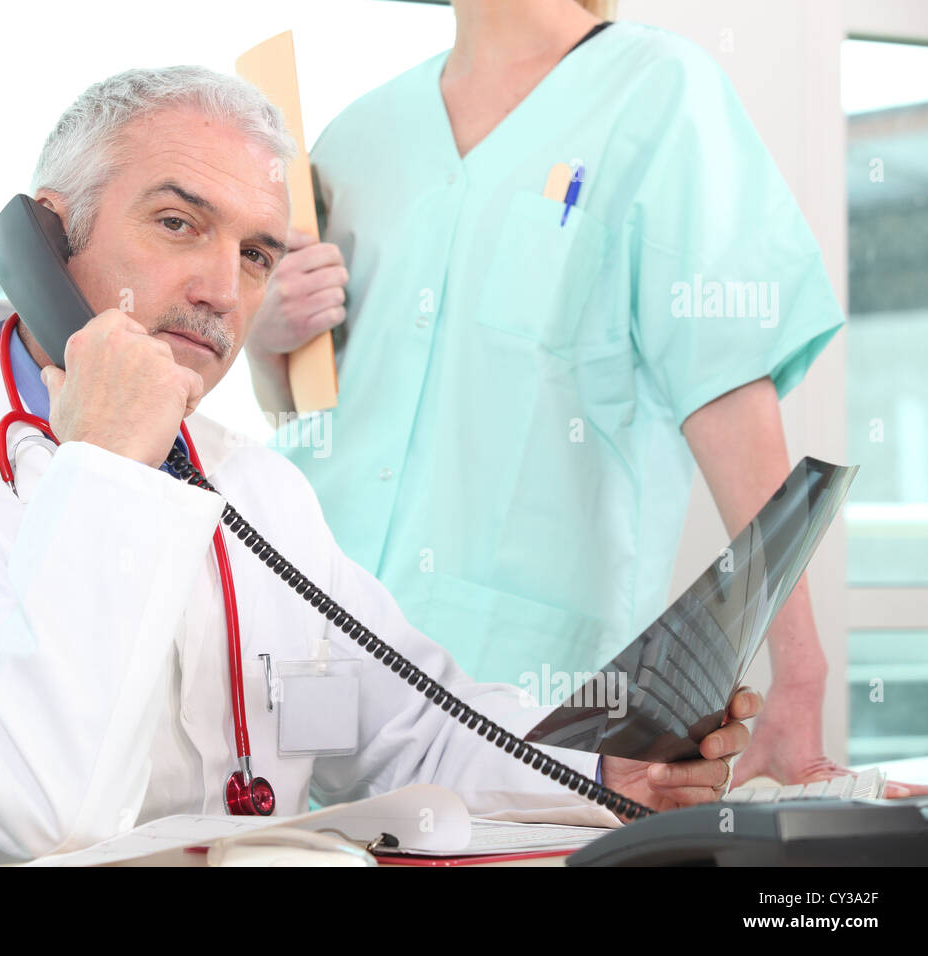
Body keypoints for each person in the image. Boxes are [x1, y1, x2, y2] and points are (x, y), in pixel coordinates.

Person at [0, 65, 764, 866]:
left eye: (257, 253)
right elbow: (45, 804)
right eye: (178, 223)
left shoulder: (255, 491)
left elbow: (409, 730)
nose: (219, 288)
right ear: (48, 237)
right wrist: (105, 462)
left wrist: (606, 773)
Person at [245, 0, 921, 795]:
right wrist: (265, 339)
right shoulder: (355, 139)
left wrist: (799, 669)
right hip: (319, 684)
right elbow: (304, 417)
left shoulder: (660, 93)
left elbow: (726, 385)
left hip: (540, 705)